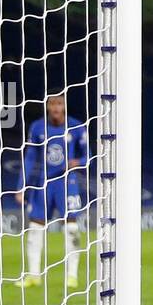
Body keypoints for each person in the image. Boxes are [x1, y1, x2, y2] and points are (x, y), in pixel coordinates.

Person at [17, 94, 89, 288]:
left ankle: (72, 276)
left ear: (64, 106)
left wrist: (77, 162)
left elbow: (88, 156)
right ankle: (33, 275)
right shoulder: (38, 127)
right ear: (47, 106)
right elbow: (30, 158)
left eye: (59, 103)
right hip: (44, 183)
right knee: (35, 227)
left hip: (67, 183)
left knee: (72, 227)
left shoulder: (76, 126)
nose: (56, 108)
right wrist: (21, 187)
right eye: (52, 104)